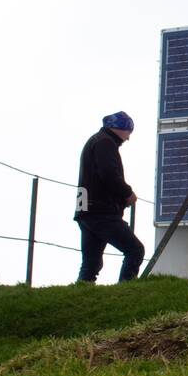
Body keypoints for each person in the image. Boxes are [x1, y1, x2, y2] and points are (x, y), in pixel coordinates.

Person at [74, 111, 144, 283]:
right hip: (101, 211)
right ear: (120, 128)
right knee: (135, 250)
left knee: (90, 264)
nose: (128, 138)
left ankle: (82, 292)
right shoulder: (106, 143)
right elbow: (109, 173)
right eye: (129, 132)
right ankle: (126, 290)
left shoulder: (95, 141)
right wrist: (127, 193)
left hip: (85, 210)